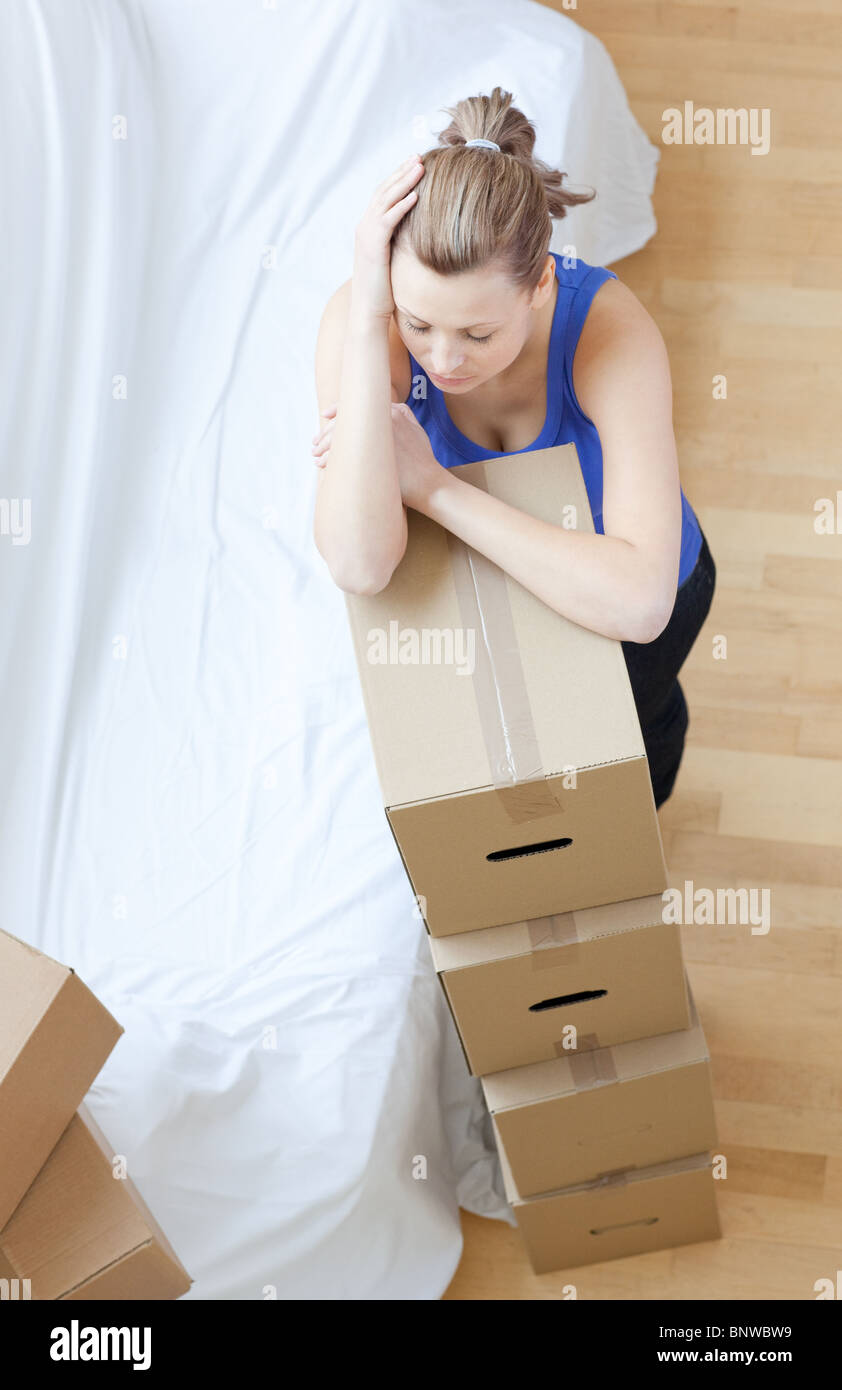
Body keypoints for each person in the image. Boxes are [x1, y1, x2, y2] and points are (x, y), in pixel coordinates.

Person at [312, 87, 715, 810]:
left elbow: (640, 602)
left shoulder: (609, 332)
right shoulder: (368, 323)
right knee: (499, 779)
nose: (443, 359)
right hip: (491, 590)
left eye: (478, 334)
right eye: (418, 322)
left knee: (630, 758)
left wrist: (433, 488)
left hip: (629, 614)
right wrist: (374, 315)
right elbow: (359, 562)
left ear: (539, 286)